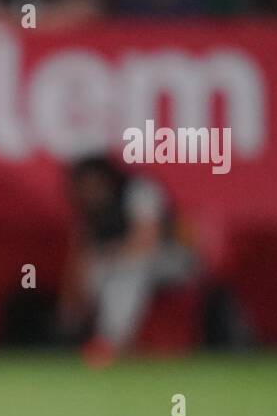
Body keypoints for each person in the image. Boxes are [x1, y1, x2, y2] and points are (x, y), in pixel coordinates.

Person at [60, 154, 196, 365]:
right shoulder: (89, 207)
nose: (88, 190)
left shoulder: (139, 189)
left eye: (91, 183)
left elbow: (145, 242)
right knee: (97, 270)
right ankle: (85, 336)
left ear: (105, 178)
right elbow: (83, 252)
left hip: (175, 259)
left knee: (130, 270)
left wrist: (110, 258)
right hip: (120, 263)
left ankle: (109, 343)